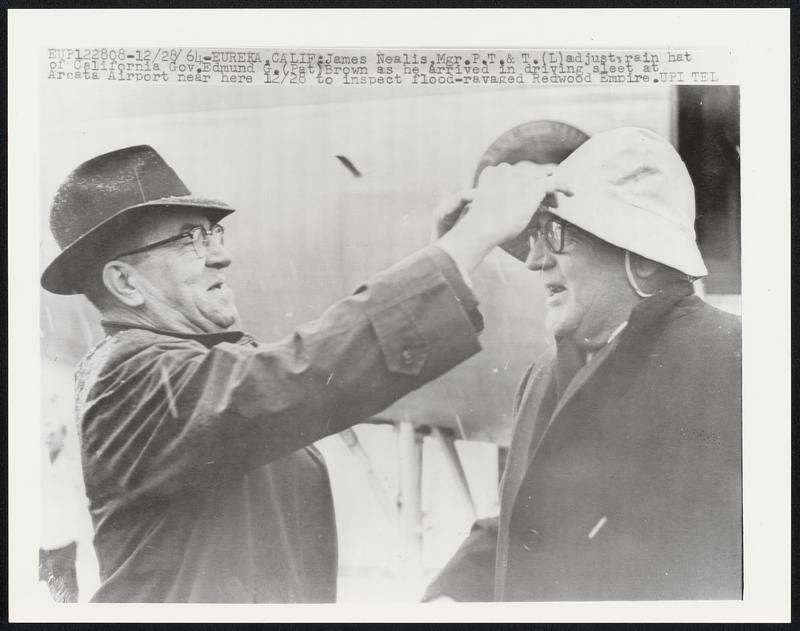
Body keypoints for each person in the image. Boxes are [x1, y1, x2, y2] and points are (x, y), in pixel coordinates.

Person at [40, 144, 562, 602]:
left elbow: (311, 367)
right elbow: (307, 372)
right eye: (189, 240)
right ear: (126, 283)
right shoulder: (131, 380)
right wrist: (467, 243)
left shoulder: (189, 371)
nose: (222, 255)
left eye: (212, 233)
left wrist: (444, 260)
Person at [424, 126, 742, 601]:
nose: (533, 261)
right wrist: (451, 596)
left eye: (554, 233)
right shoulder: (543, 376)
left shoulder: (736, 367)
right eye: (532, 234)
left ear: (645, 256)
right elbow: (525, 525)